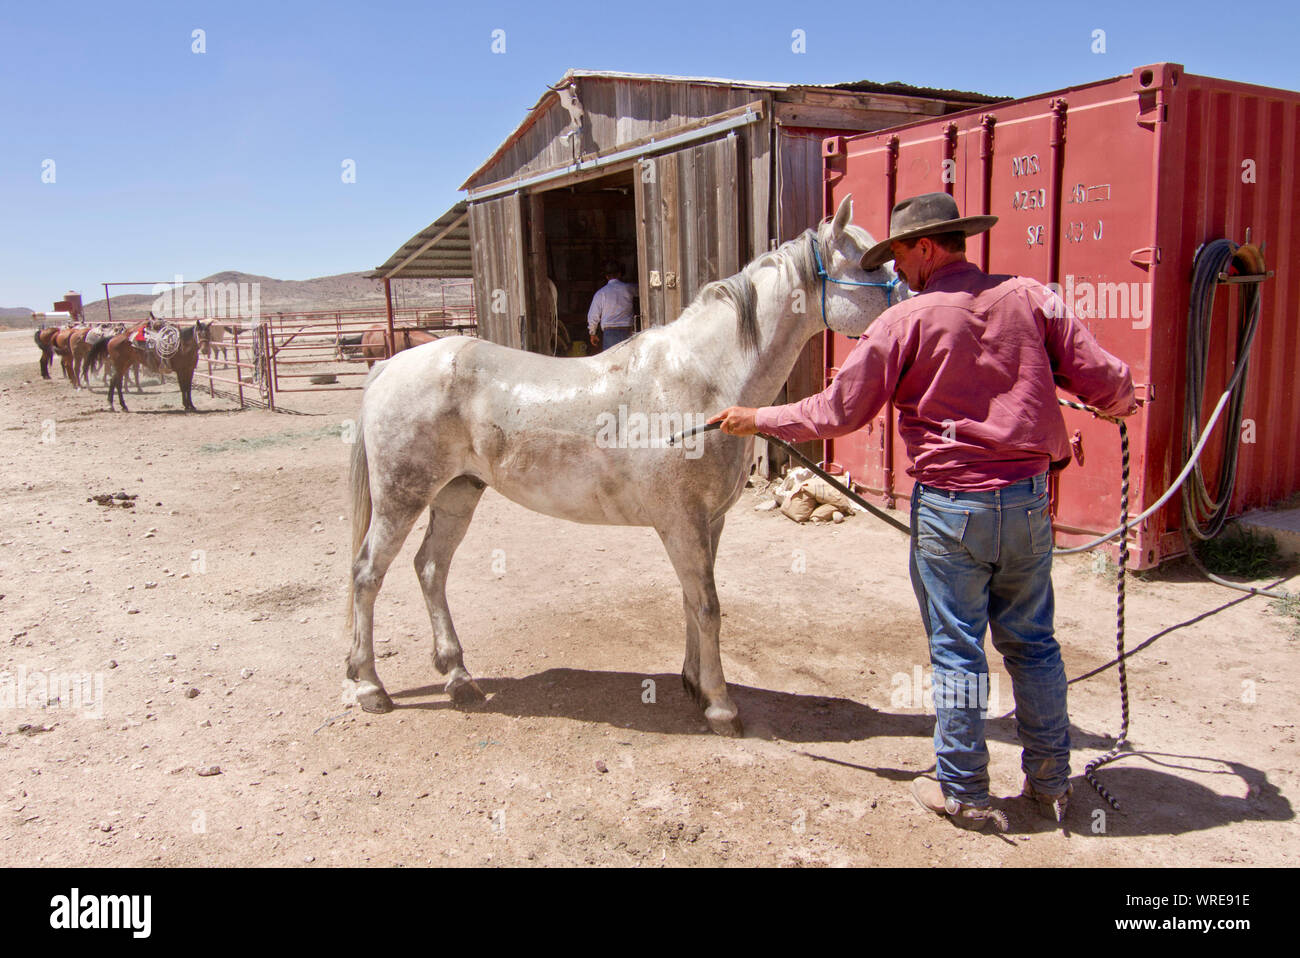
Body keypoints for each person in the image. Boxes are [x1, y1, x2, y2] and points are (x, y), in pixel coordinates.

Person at [709, 192, 1137, 831]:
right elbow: (1108, 381)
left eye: (900, 256)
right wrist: (1116, 403)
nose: (896, 273)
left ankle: (963, 789)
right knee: (1034, 644)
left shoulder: (902, 323)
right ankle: (1050, 784)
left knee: (957, 648)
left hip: (952, 511)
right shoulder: (1032, 299)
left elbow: (837, 412)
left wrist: (757, 418)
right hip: (1026, 505)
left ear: (928, 248)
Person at [587, 260, 637, 351]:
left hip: (610, 332)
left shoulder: (601, 293)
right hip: (627, 330)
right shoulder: (629, 288)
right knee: (627, 360)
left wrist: (592, 333)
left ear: (606, 276)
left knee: (611, 361)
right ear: (620, 274)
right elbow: (643, 290)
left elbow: (593, 314)